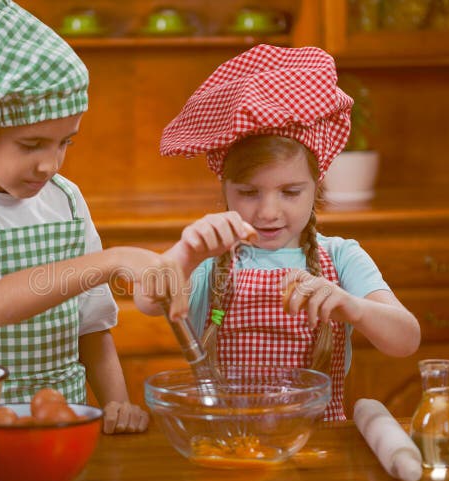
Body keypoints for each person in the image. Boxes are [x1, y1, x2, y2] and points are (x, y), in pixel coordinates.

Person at [0, 0, 185, 434]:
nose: (50, 164)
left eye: (64, 143)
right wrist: (110, 260)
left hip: (67, 424)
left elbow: (91, 328)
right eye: (32, 145)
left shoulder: (67, 200)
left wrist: (117, 404)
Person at [135, 45, 421, 421]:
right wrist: (186, 254)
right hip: (230, 445)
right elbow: (147, 299)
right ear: (224, 189)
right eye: (249, 192)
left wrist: (352, 307)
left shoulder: (341, 257)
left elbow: (406, 340)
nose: (268, 212)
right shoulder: (211, 259)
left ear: (316, 186)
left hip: (319, 448)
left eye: (290, 192)